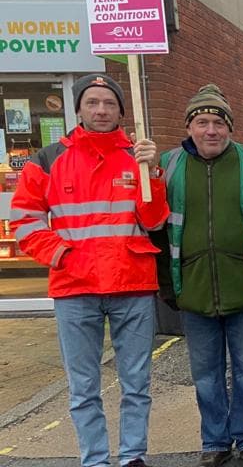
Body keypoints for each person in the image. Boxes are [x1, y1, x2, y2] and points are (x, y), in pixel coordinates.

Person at [11, 73, 169, 467]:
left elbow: (154, 221)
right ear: (79, 107)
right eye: (92, 102)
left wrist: (152, 173)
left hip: (132, 283)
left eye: (109, 103)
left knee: (137, 385)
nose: (101, 110)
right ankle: (94, 460)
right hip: (74, 287)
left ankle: (133, 456)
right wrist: (62, 255)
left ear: (120, 109)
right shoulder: (47, 159)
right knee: (83, 389)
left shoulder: (139, 155)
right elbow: (25, 222)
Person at [154, 84, 243, 467]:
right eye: (202, 122)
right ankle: (214, 440)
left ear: (229, 127)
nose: (210, 130)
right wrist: (165, 281)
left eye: (217, 122)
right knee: (206, 375)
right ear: (189, 127)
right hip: (194, 293)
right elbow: (158, 231)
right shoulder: (170, 167)